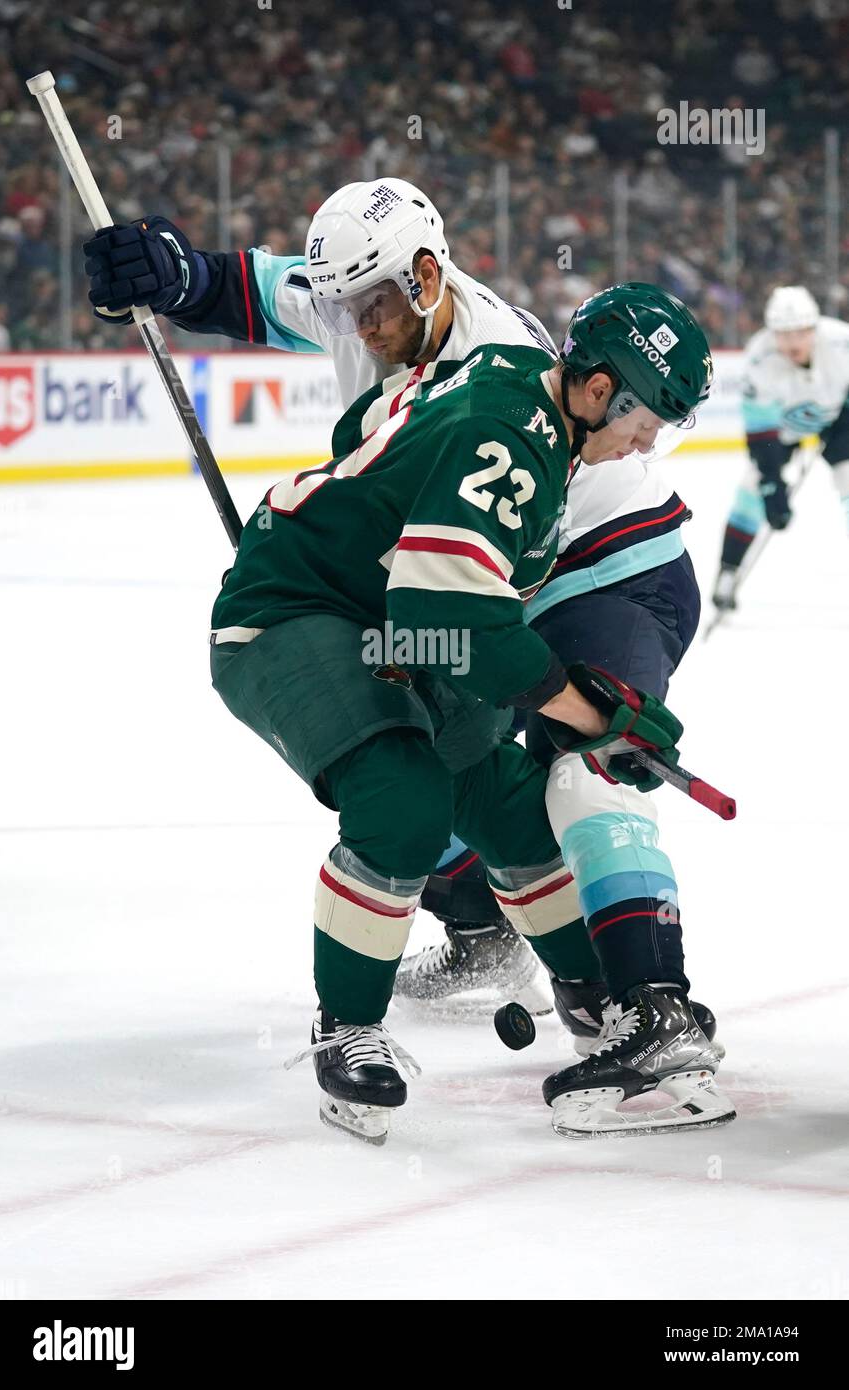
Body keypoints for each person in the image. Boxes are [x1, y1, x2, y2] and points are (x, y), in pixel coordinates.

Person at [82, 179, 715, 1040]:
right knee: (426, 754)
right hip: (476, 572)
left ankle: (648, 1001)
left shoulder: (494, 362)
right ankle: (483, 927)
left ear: (424, 278)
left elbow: (463, 609)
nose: (354, 328)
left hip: (602, 560)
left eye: (369, 307)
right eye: (342, 310)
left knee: (590, 757)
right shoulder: (368, 295)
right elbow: (265, 291)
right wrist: (174, 275)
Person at [713, 285, 849, 613]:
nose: (793, 342)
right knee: (751, 493)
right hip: (783, 431)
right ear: (772, 333)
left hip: (837, 420)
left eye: (801, 332)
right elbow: (760, 431)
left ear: (814, 328)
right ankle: (728, 571)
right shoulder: (759, 357)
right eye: (784, 334)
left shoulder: (841, 341)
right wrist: (772, 483)